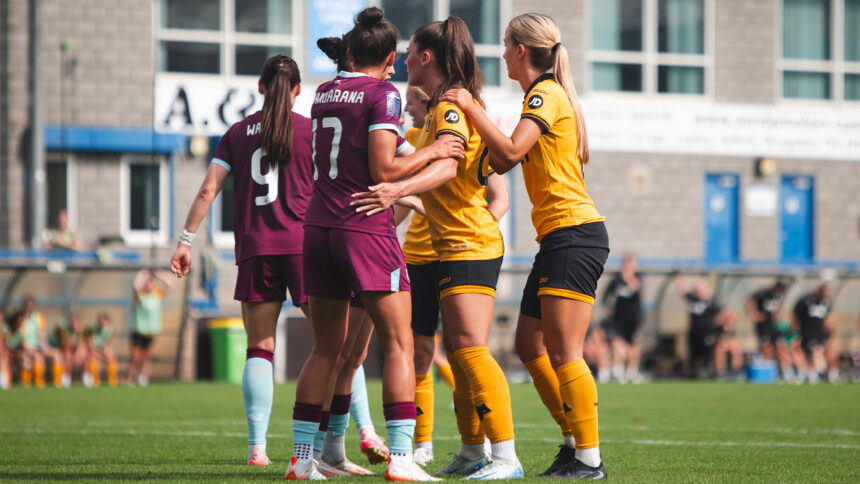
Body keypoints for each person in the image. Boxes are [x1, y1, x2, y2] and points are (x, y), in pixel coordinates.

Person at [287, 8, 457, 481]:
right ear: (386, 57)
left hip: (317, 228)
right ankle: (402, 459)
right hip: (363, 227)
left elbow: (371, 147)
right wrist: (435, 150)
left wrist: (413, 155)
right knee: (400, 344)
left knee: (325, 349)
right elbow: (383, 169)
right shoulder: (383, 93)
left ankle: (303, 461)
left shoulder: (324, 92)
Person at [438, 13, 609, 479]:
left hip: (575, 235)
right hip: (558, 237)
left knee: (563, 351)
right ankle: (574, 441)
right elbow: (500, 157)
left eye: (505, 44)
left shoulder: (545, 93)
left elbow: (509, 153)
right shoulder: (541, 96)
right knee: (528, 344)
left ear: (521, 50)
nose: (501, 53)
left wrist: (472, 109)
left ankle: (588, 461)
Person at [170, 54, 312, 467]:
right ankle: (348, 439)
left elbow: (207, 191)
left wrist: (184, 241)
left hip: (256, 250)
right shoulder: (310, 131)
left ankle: (257, 448)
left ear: (260, 87)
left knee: (259, 349)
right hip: (304, 248)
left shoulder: (236, 133)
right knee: (334, 345)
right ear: (298, 90)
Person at [399, 85, 510, 468]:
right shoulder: (419, 135)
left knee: (467, 351)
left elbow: (499, 193)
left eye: (410, 101)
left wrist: (479, 229)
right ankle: (443, 445)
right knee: (432, 352)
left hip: (464, 248)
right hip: (427, 253)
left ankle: (506, 454)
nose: (407, 109)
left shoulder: (459, 122)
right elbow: (406, 200)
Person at [602, 254, 644, 383]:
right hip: (619, 319)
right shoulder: (616, 280)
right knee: (617, 343)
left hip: (634, 319)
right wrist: (608, 310)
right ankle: (618, 371)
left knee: (634, 346)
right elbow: (606, 296)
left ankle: (632, 372)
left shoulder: (638, 278)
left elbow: (637, 288)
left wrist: (629, 276)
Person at [128, 269, 173, 387]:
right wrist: (143, 274)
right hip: (139, 331)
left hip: (151, 332)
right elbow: (134, 286)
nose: (149, 285)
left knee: (147, 357)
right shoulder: (140, 295)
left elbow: (170, 285)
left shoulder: (157, 294)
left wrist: (159, 274)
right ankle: (130, 379)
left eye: (151, 283)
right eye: (148, 283)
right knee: (135, 357)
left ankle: (143, 378)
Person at [793, 283, 835, 384]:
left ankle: (833, 374)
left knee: (828, 352)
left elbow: (827, 318)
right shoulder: (806, 301)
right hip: (809, 332)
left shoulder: (826, 302)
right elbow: (796, 315)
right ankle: (812, 375)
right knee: (810, 353)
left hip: (822, 333)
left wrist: (829, 328)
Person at [745, 280, 787, 361]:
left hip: (773, 326)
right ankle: (765, 364)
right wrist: (753, 314)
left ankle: (772, 365)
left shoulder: (778, 296)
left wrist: (778, 313)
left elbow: (780, 306)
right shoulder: (763, 294)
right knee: (765, 347)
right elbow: (748, 300)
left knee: (777, 346)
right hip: (763, 326)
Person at [48, 312, 85, 387]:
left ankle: (87, 380)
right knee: (68, 356)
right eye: (73, 321)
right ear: (69, 321)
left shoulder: (80, 328)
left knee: (83, 356)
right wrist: (75, 334)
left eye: (77, 321)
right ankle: (64, 378)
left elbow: (82, 344)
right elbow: (65, 345)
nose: (75, 323)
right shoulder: (62, 327)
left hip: (67, 349)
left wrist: (77, 354)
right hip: (54, 348)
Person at [82, 313, 119, 388]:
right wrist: (101, 356)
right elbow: (91, 348)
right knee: (93, 359)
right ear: (98, 322)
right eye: (101, 322)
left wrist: (107, 354)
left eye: (105, 322)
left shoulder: (109, 331)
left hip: (100, 352)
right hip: (90, 352)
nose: (103, 324)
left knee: (112, 359)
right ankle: (95, 381)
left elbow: (107, 346)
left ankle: (113, 382)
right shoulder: (91, 329)